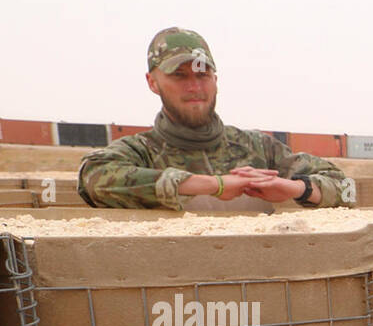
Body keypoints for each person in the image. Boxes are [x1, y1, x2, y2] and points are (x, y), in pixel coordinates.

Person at [77, 28, 353, 211]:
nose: (194, 87)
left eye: (202, 75)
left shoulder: (257, 148)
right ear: (152, 82)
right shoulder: (142, 151)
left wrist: (295, 188)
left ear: (215, 80)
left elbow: (346, 188)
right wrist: (214, 185)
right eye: (179, 75)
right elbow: (94, 179)